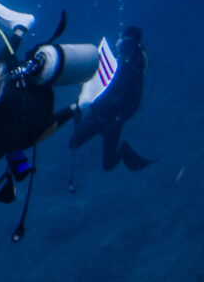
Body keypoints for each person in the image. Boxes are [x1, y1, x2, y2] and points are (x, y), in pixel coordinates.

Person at [66, 25, 154, 174]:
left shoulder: (135, 71)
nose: (123, 49)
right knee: (73, 143)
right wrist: (81, 105)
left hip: (112, 121)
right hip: (97, 114)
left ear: (135, 47)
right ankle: (119, 144)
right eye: (122, 44)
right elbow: (91, 82)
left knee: (108, 164)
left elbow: (135, 102)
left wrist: (119, 120)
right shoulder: (111, 60)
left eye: (128, 45)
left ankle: (124, 149)